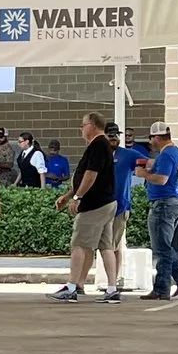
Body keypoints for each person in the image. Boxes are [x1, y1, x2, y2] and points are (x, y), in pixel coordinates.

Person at [52, 111, 121, 301]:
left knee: (79, 244)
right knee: (106, 246)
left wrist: (77, 197)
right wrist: (69, 195)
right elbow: (84, 176)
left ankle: (72, 286)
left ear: (92, 125)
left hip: (94, 204)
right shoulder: (101, 145)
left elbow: (91, 174)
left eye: (83, 125)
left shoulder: (98, 145)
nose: (81, 129)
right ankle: (112, 288)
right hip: (107, 202)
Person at [142, 123, 178, 298]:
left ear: (157, 137)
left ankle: (163, 287)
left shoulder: (166, 155)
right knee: (164, 245)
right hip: (173, 201)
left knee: (161, 248)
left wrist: (144, 174)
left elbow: (161, 179)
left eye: (151, 138)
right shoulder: (176, 153)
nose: (151, 142)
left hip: (163, 203)